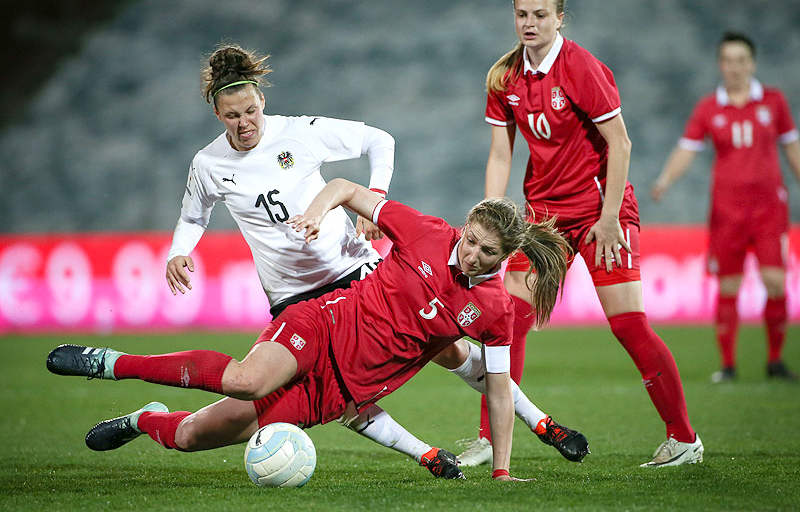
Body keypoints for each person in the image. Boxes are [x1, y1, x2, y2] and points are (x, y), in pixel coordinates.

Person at [159, 44, 588, 477]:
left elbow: (378, 140)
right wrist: (180, 250)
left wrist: (376, 196)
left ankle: (538, 422)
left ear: (261, 101)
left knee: (448, 348)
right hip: (292, 296)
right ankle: (431, 451)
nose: (244, 122)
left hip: (351, 271)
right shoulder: (208, 163)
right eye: (233, 116)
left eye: (250, 110)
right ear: (218, 114)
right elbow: (194, 215)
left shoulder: (299, 133)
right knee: (336, 390)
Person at [47, 179, 572, 481]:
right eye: (472, 238)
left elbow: (498, 391)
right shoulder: (426, 232)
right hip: (320, 326)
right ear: (466, 224)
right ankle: (108, 363)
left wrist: (502, 471)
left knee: (189, 436)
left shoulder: (493, 310)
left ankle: (144, 421)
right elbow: (345, 187)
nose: (472, 253)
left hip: (336, 392)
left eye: (487, 252)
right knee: (247, 380)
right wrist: (318, 210)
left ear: (505, 258)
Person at [456, 0, 702, 468]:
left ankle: (683, 439)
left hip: (598, 213)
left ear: (559, 18)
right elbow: (502, 150)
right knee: (508, 322)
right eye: (522, 15)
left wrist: (610, 218)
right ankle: (488, 439)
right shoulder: (505, 77)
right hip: (543, 220)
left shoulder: (581, 67)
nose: (530, 24)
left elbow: (621, 144)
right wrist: (489, 210)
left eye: (540, 15)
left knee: (629, 326)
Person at [652, 31, 800, 383]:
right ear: (721, 64)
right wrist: (664, 180)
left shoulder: (774, 102)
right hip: (727, 211)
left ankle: (775, 361)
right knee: (729, 286)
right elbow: (687, 149)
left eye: (740, 60)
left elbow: (791, 148)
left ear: (752, 63)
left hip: (768, 209)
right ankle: (729, 365)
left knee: (776, 282)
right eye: (727, 61)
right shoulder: (709, 107)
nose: (734, 67)